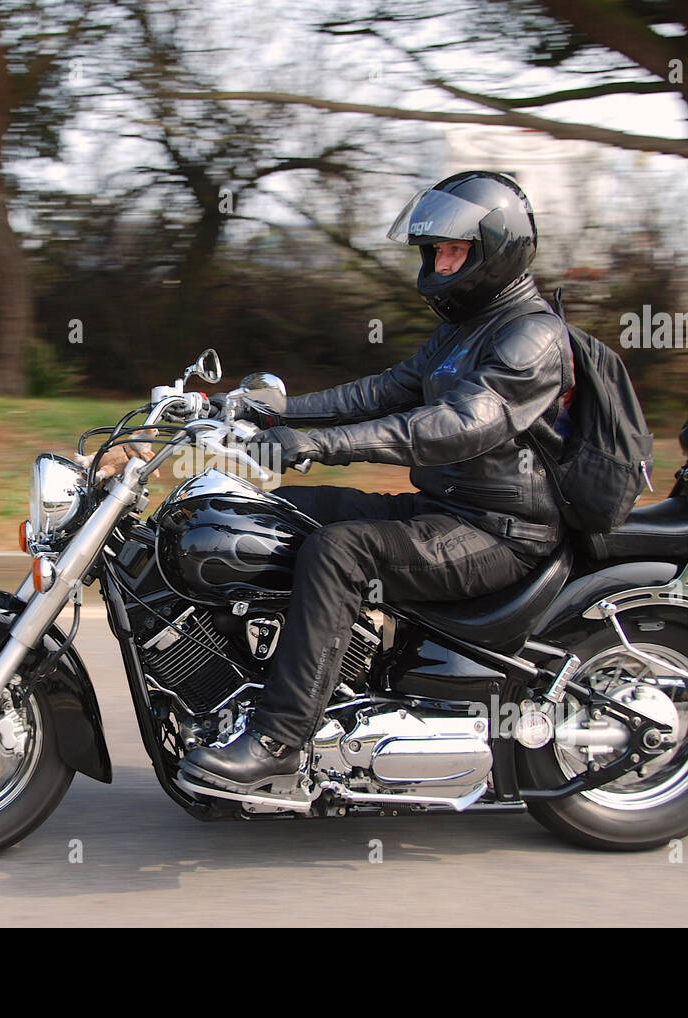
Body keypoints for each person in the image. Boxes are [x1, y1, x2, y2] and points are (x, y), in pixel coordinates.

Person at [180, 170, 574, 793]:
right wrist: (268, 412)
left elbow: (458, 426)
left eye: (455, 251)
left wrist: (320, 445)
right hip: (445, 509)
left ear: (497, 250)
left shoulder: (533, 336)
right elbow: (380, 393)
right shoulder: (464, 331)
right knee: (278, 513)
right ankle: (239, 681)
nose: (441, 265)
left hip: (498, 533)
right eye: (435, 252)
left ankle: (280, 738)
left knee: (339, 552)